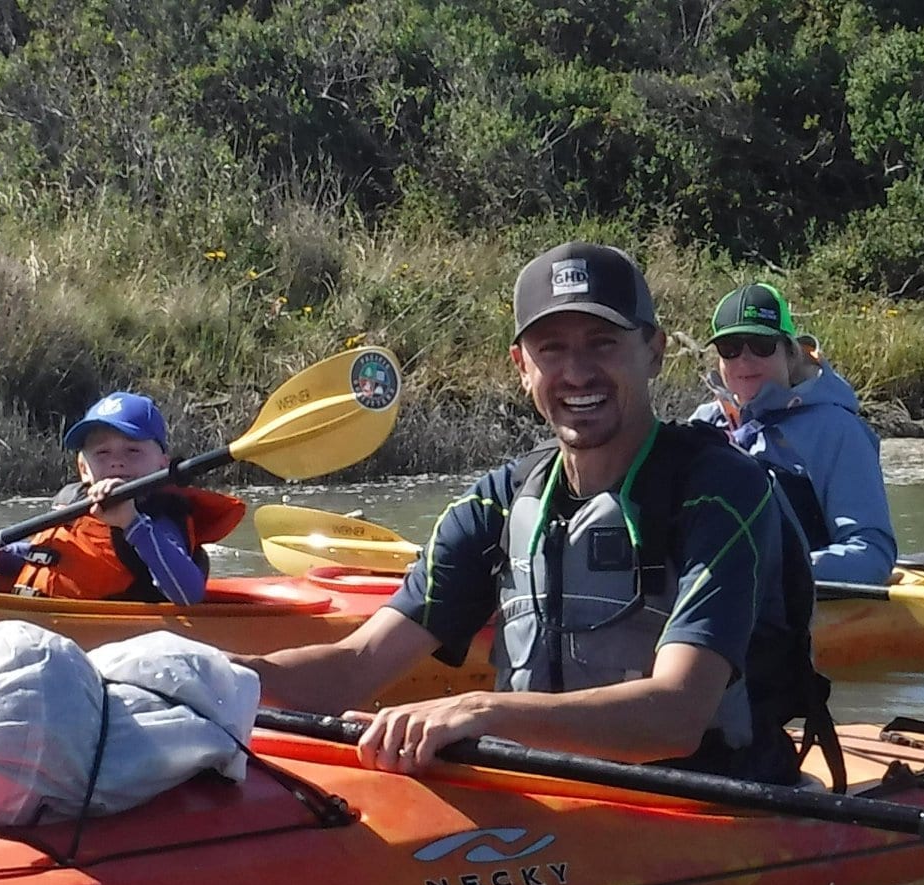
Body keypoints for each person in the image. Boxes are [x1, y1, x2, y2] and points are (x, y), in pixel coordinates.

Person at [237, 243, 835, 786]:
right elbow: (356, 665)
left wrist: (477, 711)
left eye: (602, 344)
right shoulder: (496, 502)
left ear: (652, 352)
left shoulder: (721, 491)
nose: (576, 373)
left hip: (707, 802)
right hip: (537, 793)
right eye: (552, 350)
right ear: (522, 366)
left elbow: (676, 715)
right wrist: (216, 677)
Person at [0, 392, 245, 605]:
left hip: (106, 645)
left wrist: (132, 523)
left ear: (161, 463)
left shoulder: (158, 517)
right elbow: (39, 559)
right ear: (83, 468)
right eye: (102, 453)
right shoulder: (72, 504)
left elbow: (188, 594)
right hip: (35, 623)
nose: (117, 463)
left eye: (132, 451)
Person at [690, 283, 897, 586]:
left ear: (790, 352)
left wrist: (773, 572)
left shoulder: (836, 430)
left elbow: (872, 554)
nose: (744, 360)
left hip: (792, 605)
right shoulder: (703, 425)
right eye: (730, 349)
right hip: (709, 592)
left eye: (761, 346)